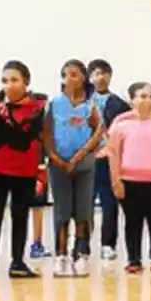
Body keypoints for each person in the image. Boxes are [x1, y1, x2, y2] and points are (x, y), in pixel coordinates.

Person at [0, 60, 47, 281]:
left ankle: (17, 262)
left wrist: (40, 171)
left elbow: (34, 139)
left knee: (20, 216)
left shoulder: (37, 108)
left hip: (24, 170)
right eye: (5, 80)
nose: (9, 85)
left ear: (26, 82)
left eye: (15, 80)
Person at [43, 59, 103, 277]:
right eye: (66, 74)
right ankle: (60, 256)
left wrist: (80, 155)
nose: (70, 78)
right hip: (59, 165)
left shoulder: (90, 105)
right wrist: (54, 157)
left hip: (84, 165)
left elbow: (98, 131)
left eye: (75, 74)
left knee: (83, 210)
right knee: (62, 211)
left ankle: (81, 254)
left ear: (83, 78)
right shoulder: (54, 103)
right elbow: (47, 133)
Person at [108, 82, 151, 273]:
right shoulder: (121, 125)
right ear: (132, 100)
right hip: (129, 181)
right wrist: (116, 180)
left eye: (150, 96)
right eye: (142, 96)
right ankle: (134, 258)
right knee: (132, 222)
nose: (147, 100)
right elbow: (114, 154)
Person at [88, 59, 132, 262]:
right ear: (90, 77)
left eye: (105, 73)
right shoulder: (82, 101)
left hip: (107, 159)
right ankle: (81, 244)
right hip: (85, 157)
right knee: (83, 204)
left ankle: (108, 244)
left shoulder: (119, 104)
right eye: (97, 73)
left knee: (109, 203)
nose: (101, 77)